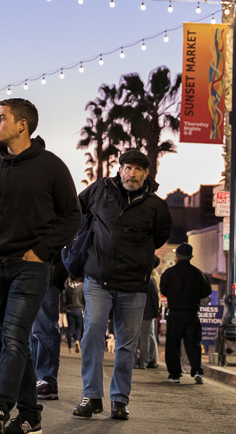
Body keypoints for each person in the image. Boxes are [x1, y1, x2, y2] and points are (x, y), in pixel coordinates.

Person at [0, 99, 81, 434]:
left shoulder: (51, 166)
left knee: (14, 336)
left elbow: (72, 216)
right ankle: (31, 416)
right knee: (13, 340)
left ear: (22, 125)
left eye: (1, 118)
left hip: (30, 267)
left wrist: (42, 251)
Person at [73, 149, 171, 421]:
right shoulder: (100, 190)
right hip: (98, 279)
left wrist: (142, 259)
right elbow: (76, 210)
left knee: (127, 345)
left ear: (146, 174)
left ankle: (119, 400)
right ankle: (91, 396)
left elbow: (161, 236)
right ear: (120, 169)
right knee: (92, 332)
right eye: (128, 168)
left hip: (134, 284)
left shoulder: (156, 206)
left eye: (138, 169)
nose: (132, 173)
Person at [159, 243, 212, 384]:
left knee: (173, 344)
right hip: (191, 313)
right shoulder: (198, 273)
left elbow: (163, 290)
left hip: (175, 312)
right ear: (190, 257)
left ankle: (174, 374)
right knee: (193, 343)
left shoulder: (169, 273)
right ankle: (196, 371)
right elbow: (206, 291)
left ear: (177, 256)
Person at [29, 256, 67, 401]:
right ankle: (35, 378)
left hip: (48, 273)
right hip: (30, 273)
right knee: (33, 331)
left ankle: (47, 379)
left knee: (45, 328)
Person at [136, 258, 161, 370]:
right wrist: (156, 312)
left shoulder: (136, 278)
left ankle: (137, 361)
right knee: (146, 337)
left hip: (136, 311)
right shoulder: (151, 279)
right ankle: (145, 361)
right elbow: (155, 296)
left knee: (136, 337)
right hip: (148, 312)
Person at [63, 278, 84, 352]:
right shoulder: (82, 286)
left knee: (70, 328)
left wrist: (65, 307)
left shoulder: (67, 287)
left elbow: (64, 300)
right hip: (79, 309)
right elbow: (84, 298)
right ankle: (77, 340)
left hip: (70, 310)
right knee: (78, 327)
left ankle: (69, 347)